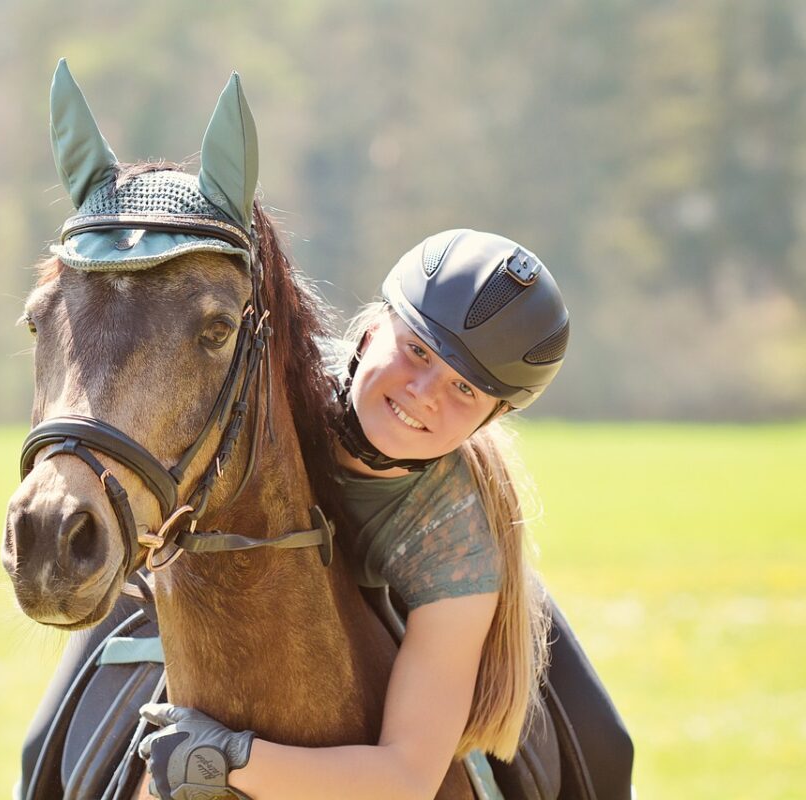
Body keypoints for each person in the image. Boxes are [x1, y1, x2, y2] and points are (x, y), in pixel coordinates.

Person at [134, 228, 629, 799]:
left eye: (464, 389)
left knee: (604, 741)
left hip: (415, 594)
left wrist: (227, 758)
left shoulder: (459, 539)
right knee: (48, 733)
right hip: (211, 581)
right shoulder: (266, 389)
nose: (424, 392)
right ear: (372, 330)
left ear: (488, 421)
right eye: (417, 350)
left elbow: (406, 779)